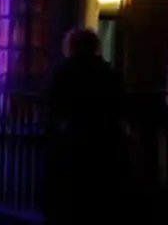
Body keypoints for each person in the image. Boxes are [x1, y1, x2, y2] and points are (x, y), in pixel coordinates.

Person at [44, 28, 127, 223]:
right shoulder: (109, 74)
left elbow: (54, 107)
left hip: (71, 144)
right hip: (104, 144)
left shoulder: (63, 73)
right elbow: (119, 106)